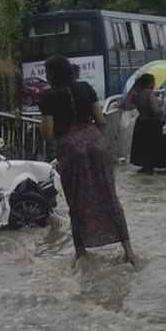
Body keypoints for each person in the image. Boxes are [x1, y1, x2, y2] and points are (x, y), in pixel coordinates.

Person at [39, 55, 135, 266]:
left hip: (71, 149)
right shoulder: (85, 87)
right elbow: (101, 120)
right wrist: (94, 138)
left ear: (52, 74)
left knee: (77, 202)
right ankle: (128, 250)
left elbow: (47, 134)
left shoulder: (47, 97)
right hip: (96, 144)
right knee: (109, 196)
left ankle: (81, 253)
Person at [129, 73, 166, 174]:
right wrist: (162, 110)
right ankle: (151, 167)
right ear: (150, 82)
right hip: (152, 123)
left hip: (141, 122)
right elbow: (155, 111)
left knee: (143, 146)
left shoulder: (138, 94)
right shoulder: (150, 94)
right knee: (153, 146)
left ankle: (145, 166)